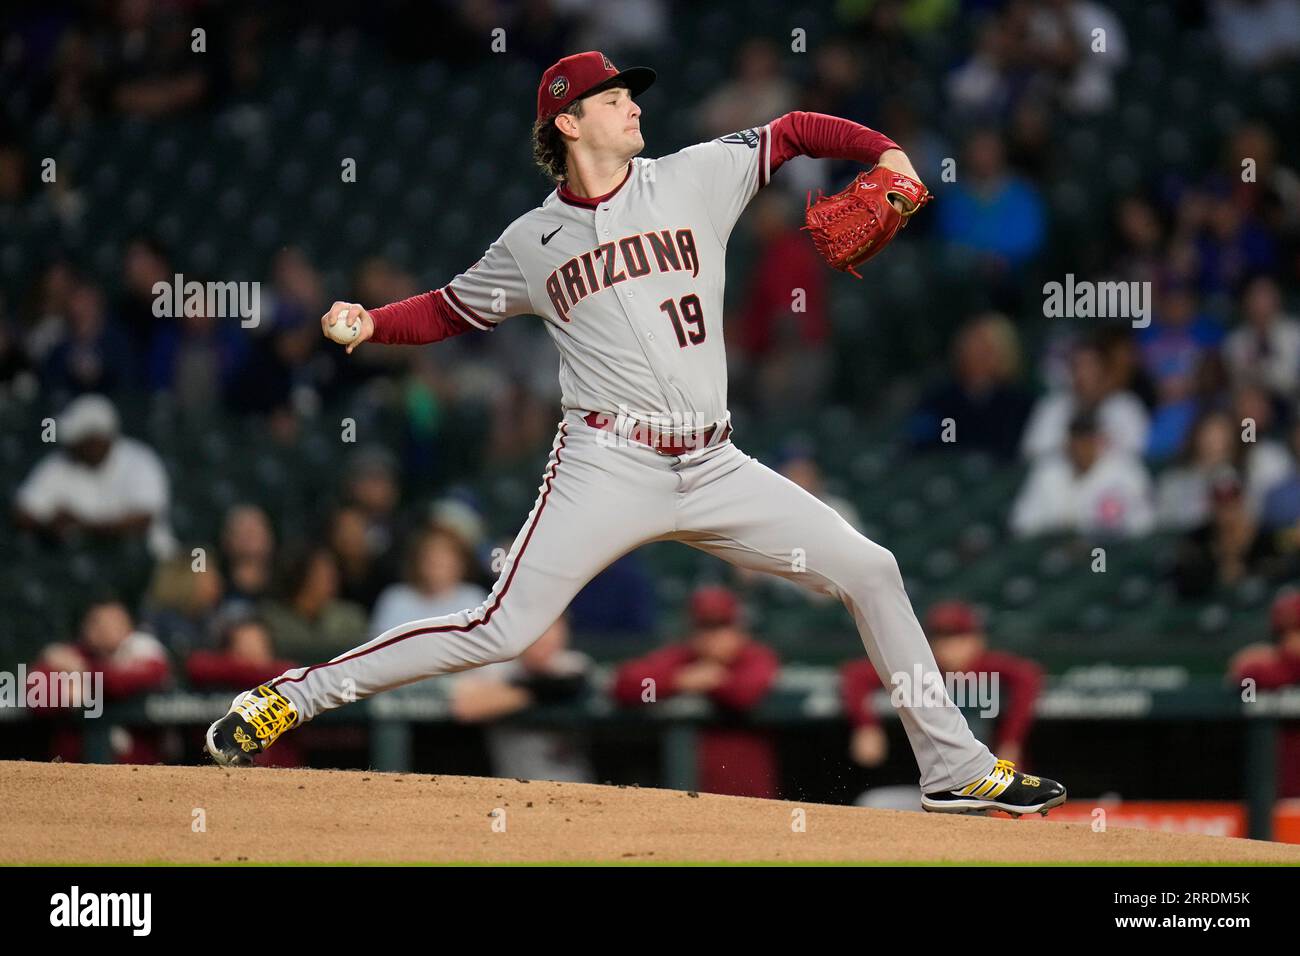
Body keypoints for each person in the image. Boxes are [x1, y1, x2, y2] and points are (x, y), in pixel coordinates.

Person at [206, 50, 1065, 816]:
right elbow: (447, 309)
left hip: (716, 458)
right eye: (614, 98)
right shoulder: (532, 240)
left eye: (630, 95)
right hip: (606, 461)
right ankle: (294, 695)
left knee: (872, 570)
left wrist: (885, 152)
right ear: (568, 122)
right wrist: (372, 323)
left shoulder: (695, 174)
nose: (634, 106)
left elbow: (797, 128)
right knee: (500, 630)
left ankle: (953, 768)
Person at [611, 587, 781, 798]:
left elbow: (744, 695)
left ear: (738, 629)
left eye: (721, 626)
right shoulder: (682, 660)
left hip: (746, 791)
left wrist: (715, 681)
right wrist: (678, 681)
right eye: (705, 627)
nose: (712, 637)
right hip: (684, 791)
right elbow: (625, 685)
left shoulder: (753, 657)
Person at [841, 600, 1045, 775]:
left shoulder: (990, 665)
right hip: (935, 781)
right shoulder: (920, 668)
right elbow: (855, 674)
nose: (951, 649)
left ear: (977, 640)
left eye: (959, 639)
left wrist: (1010, 741)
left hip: (995, 777)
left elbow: (1029, 676)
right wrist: (866, 726)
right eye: (943, 640)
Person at [13, 394, 176, 559]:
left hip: (144, 564)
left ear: (97, 439)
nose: (72, 444)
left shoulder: (139, 459)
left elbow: (143, 520)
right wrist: (49, 525)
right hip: (75, 563)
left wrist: (81, 526)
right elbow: (23, 512)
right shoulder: (59, 462)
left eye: (80, 439)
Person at [449, 615, 594, 783]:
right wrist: (535, 692)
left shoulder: (573, 665)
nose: (544, 637)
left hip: (574, 784)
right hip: (514, 785)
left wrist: (511, 695)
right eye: (538, 629)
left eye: (552, 628)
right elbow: (464, 708)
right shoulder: (497, 670)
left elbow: (576, 684)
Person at [29, 598, 172, 764]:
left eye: (114, 623)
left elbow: (119, 683)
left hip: (142, 770)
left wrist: (83, 673)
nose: (106, 630)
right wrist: (65, 692)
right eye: (97, 623)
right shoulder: (69, 655)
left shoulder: (141, 650)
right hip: (75, 770)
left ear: (128, 626)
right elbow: (36, 696)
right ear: (84, 627)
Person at [1010, 411, 1155, 538]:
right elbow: (1022, 522)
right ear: (1068, 442)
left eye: (1087, 440)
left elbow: (1143, 524)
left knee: (1099, 564)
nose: (1081, 448)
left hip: (1107, 551)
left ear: (1099, 440)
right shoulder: (1048, 469)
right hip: (1054, 549)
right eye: (1076, 439)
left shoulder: (1125, 470)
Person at [1227, 591, 1300, 797]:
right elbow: (1246, 692)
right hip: (1278, 791)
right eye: (1287, 634)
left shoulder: (1267, 668)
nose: (1292, 640)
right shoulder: (1259, 674)